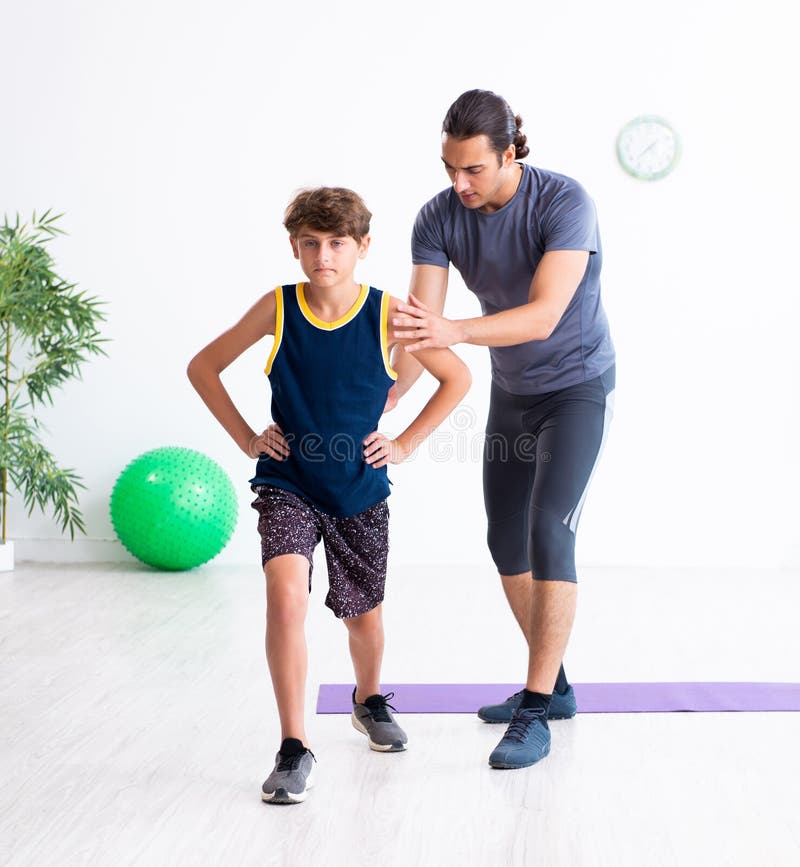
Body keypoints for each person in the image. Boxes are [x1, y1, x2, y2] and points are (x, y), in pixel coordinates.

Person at [187, 186, 471, 803]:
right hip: (287, 483)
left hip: (358, 491)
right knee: (285, 598)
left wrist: (405, 443)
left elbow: (459, 376)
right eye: (311, 243)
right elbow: (202, 367)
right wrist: (245, 439)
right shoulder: (278, 308)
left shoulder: (391, 314)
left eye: (337, 243)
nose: (324, 256)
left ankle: (367, 698)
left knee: (362, 616)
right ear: (294, 247)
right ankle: (294, 745)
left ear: (362, 247)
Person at [390, 89, 615, 770]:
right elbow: (419, 331)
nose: (458, 185)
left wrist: (455, 330)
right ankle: (559, 688)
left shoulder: (564, 203)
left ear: (510, 151)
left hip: (576, 390)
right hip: (514, 393)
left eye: (473, 171)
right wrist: (379, 402)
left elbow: (544, 313)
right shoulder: (438, 218)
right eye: (448, 169)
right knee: (503, 538)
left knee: (551, 532)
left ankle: (535, 707)